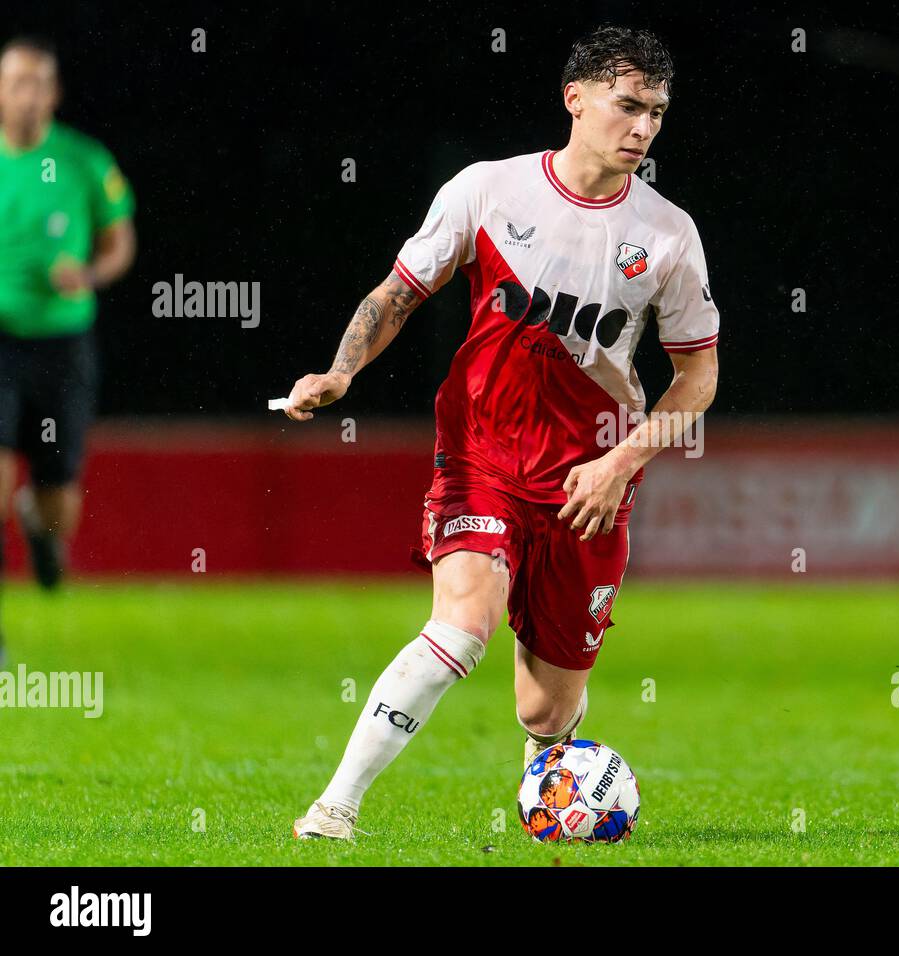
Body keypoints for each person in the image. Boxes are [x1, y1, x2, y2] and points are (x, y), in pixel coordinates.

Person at [286, 25, 719, 840]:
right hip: (481, 451)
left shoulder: (667, 234)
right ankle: (334, 808)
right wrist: (342, 371)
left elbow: (698, 375)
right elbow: (400, 294)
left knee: (545, 706)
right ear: (576, 99)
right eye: (629, 106)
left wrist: (622, 464)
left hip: (587, 479)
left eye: (657, 113)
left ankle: (548, 771)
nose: (643, 128)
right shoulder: (487, 191)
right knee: (462, 622)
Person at [0, 36, 137, 659]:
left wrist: (88, 275)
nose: (25, 96)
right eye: (14, 83)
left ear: (52, 93)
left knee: (58, 491)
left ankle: (40, 525)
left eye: (36, 84)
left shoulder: (84, 161)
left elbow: (119, 242)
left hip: (62, 347)